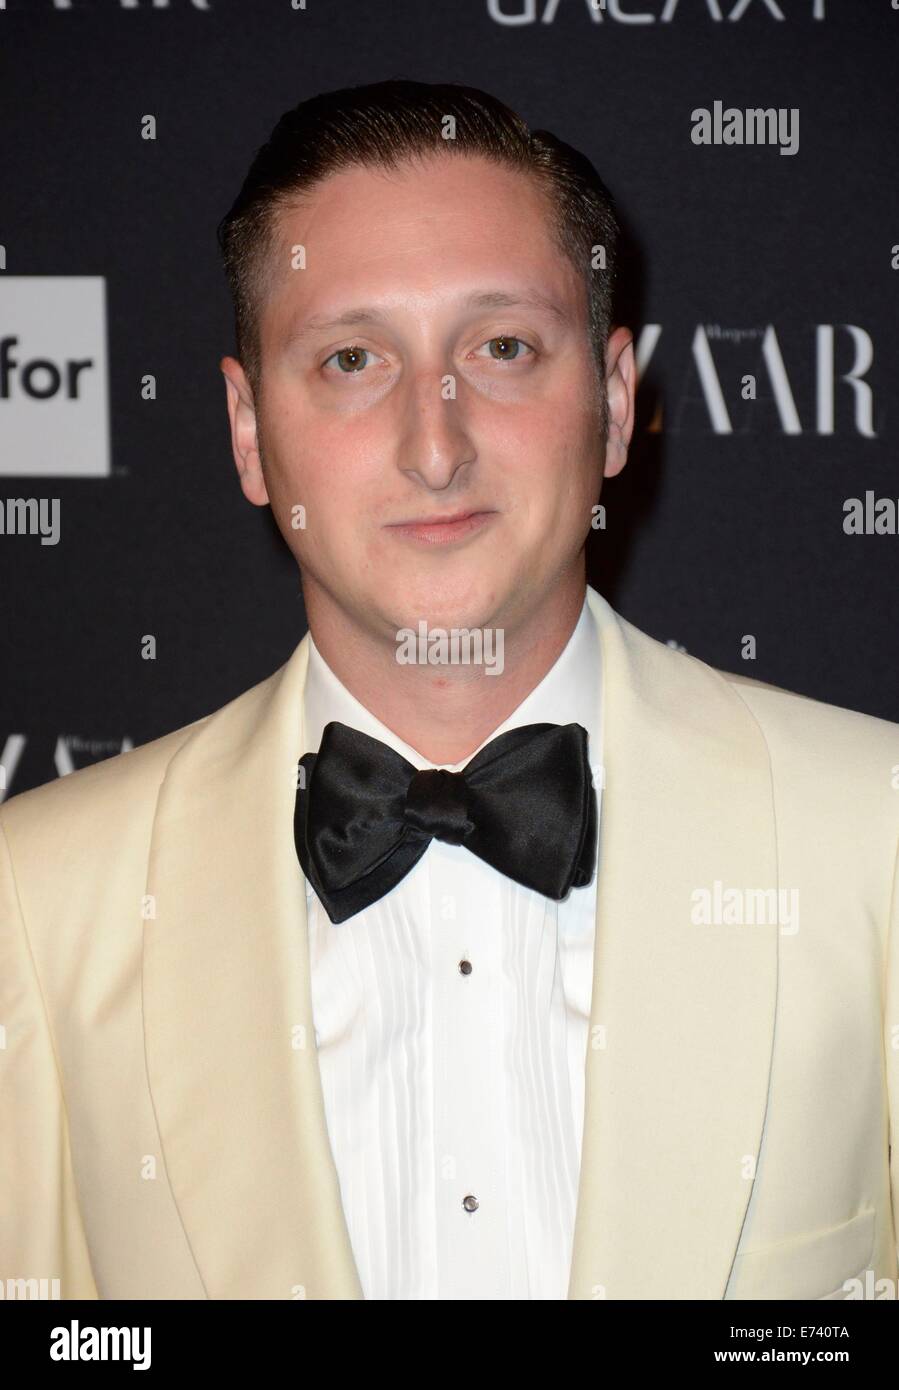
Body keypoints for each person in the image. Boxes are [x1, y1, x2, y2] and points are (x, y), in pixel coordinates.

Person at [1, 80, 897, 1302]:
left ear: (616, 400)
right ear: (250, 431)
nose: (434, 444)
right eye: (352, 358)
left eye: (503, 348)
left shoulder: (871, 836)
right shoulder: (42, 899)